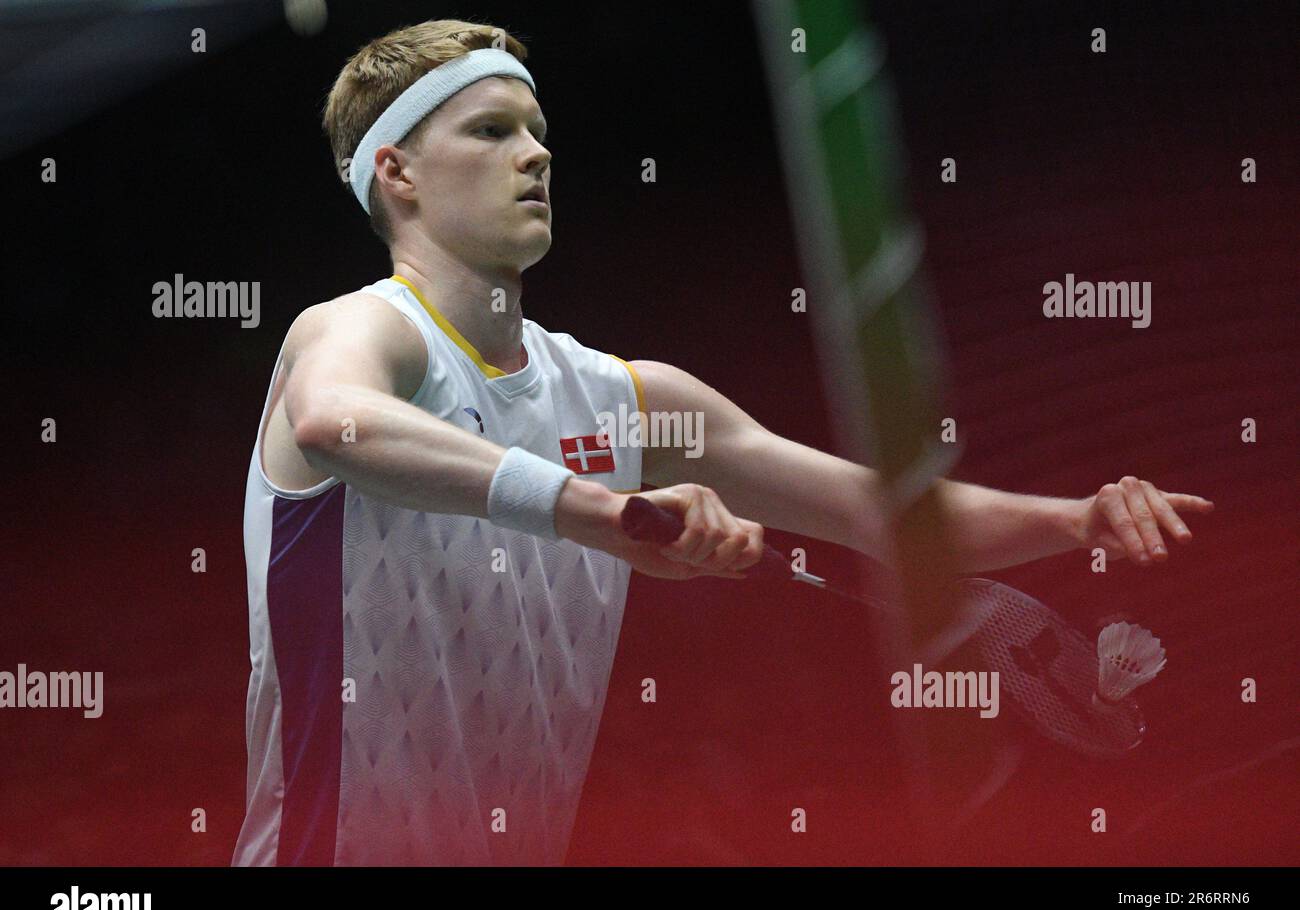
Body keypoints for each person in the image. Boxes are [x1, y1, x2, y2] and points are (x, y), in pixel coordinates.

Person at [232, 19, 1213, 866]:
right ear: (394, 172)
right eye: (490, 132)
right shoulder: (358, 331)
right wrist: (609, 512)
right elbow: (335, 420)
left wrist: (1079, 517)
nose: (534, 155)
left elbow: (884, 515)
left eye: (537, 133)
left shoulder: (622, 397)